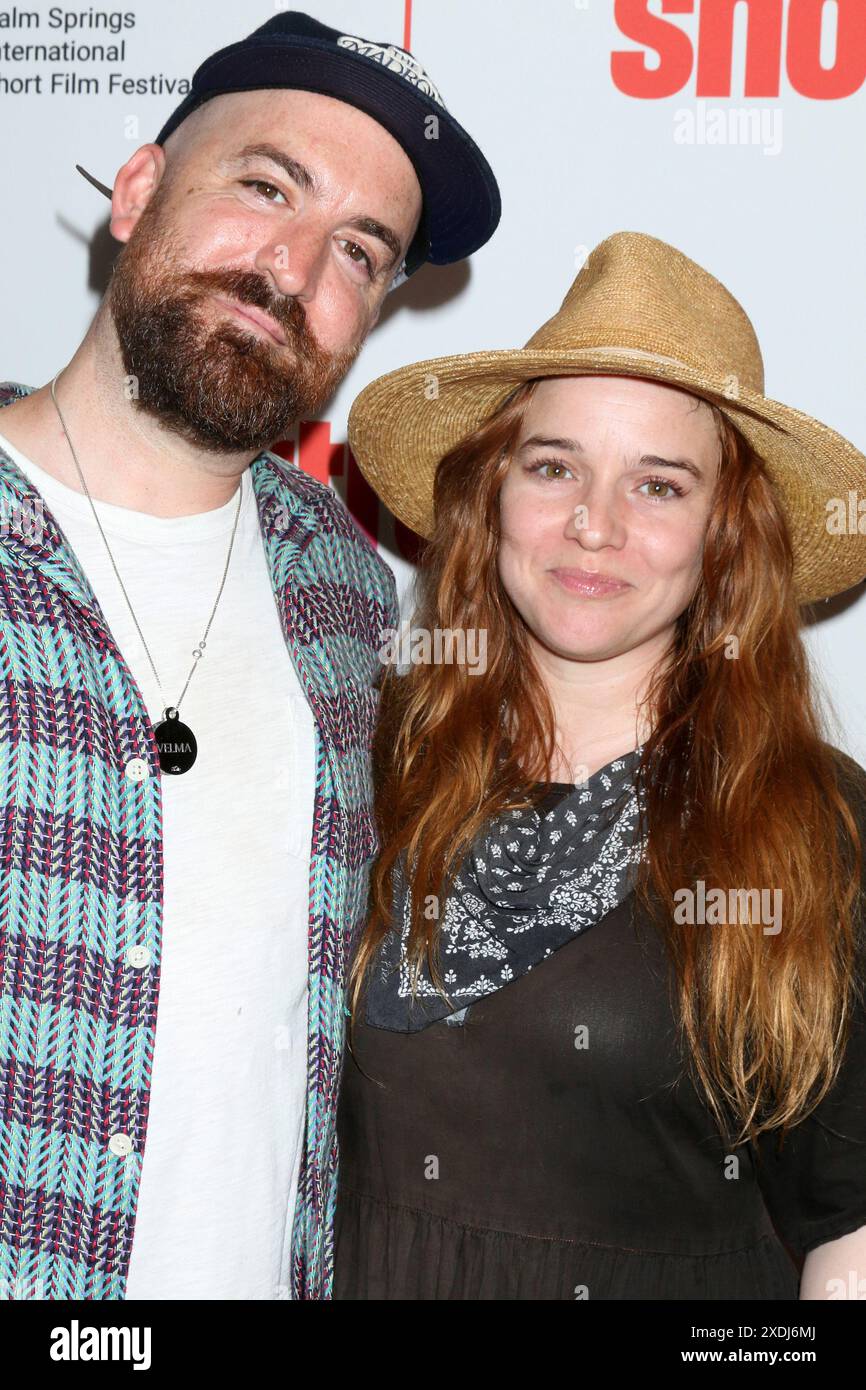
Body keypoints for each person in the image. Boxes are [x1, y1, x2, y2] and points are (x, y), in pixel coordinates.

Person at [0, 11, 500, 1302]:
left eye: (357, 249)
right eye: (264, 185)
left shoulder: (343, 588)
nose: (289, 266)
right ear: (138, 189)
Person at [335, 230, 866, 1300]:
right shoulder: (356, 753)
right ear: (491, 495)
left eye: (658, 485)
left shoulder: (816, 825)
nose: (593, 524)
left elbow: (847, 1224)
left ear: (725, 533)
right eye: (553, 466)